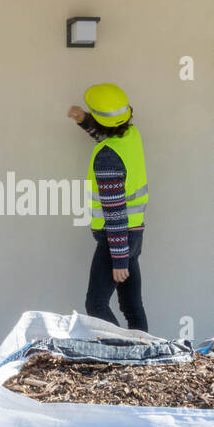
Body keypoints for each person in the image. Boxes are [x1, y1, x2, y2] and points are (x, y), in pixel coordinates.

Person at [68, 83, 148, 332]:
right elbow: (107, 134)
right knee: (132, 306)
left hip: (116, 238)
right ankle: (144, 354)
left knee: (96, 304)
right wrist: (84, 121)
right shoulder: (130, 135)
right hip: (134, 234)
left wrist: (119, 259)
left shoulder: (107, 157)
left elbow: (114, 212)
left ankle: (122, 352)